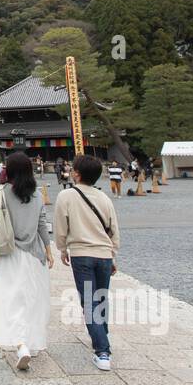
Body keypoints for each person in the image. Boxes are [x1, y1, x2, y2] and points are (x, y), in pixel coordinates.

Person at [0, 153, 53, 370]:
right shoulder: (37, 195)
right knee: (32, 300)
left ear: (10, 171)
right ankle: (30, 342)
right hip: (35, 254)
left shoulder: (0, 192)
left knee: (11, 300)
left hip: (11, 254)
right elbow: (43, 224)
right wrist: (49, 250)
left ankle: (21, 343)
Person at [54, 155, 120, 371]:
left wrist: (62, 248)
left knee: (89, 302)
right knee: (100, 297)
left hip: (82, 254)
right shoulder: (104, 199)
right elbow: (113, 230)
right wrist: (112, 254)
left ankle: (102, 350)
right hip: (103, 254)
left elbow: (61, 226)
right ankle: (101, 334)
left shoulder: (66, 196)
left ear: (77, 174)